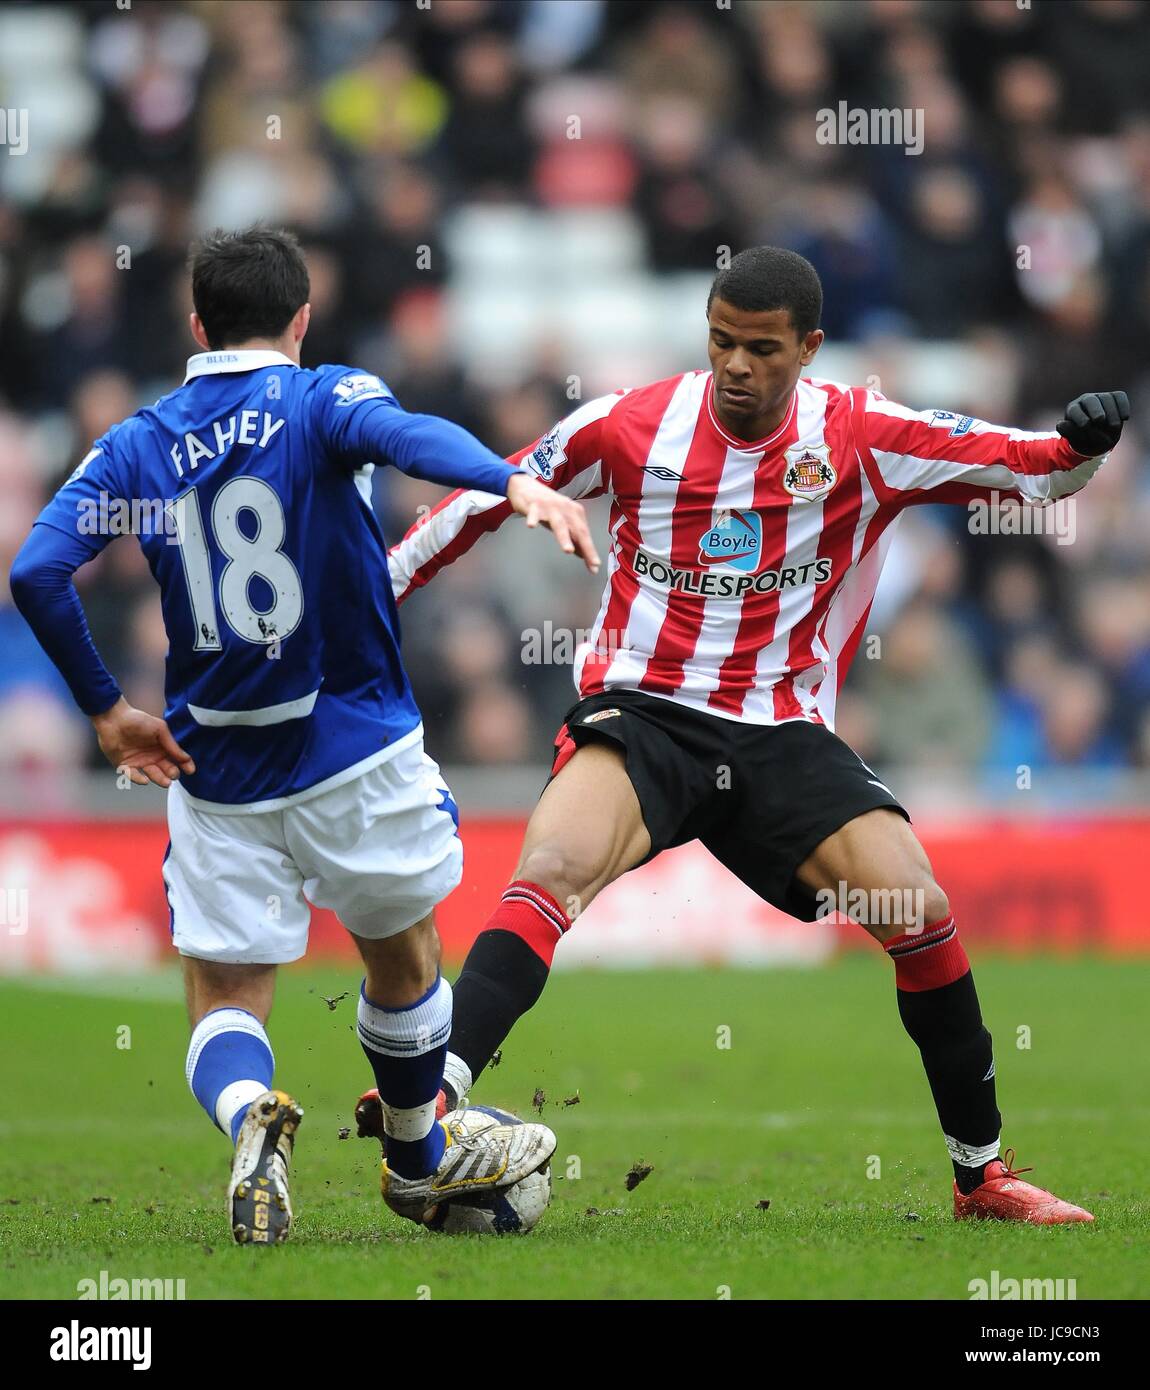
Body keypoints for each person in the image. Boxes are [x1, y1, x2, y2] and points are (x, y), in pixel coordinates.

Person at [365, 245, 1129, 1226]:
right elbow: (483, 497)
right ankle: (428, 1108)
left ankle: (979, 1177)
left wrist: (1078, 444)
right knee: (550, 865)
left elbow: (1029, 471)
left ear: (807, 348)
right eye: (721, 341)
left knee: (918, 909)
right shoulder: (628, 424)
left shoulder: (862, 432)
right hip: (644, 710)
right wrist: (373, 594)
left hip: (779, 731)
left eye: (760, 348)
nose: (735, 364)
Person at [10, 225, 599, 1243]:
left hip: (216, 764)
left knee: (227, 992)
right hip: (352, 748)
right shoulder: (323, 395)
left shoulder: (139, 441)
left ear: (196, 324)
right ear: (301, 317)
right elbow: (412, 437)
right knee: (403, 957)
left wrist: (108, 709)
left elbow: (34, 572)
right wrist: (513, 481)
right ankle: (417, 1158)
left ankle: (252, 1118)